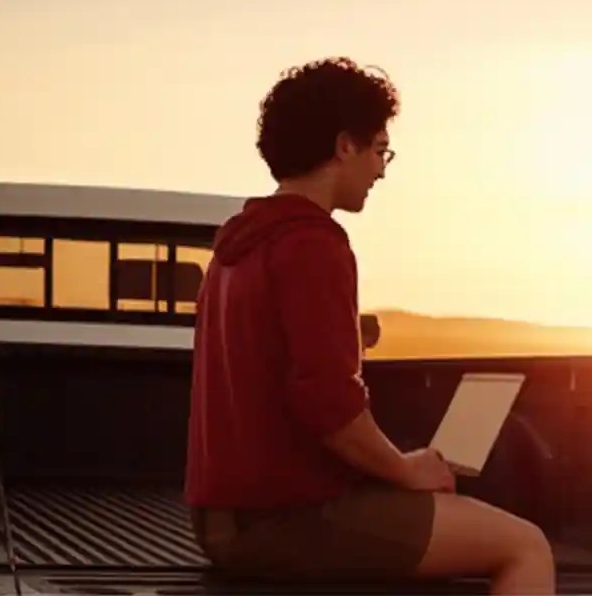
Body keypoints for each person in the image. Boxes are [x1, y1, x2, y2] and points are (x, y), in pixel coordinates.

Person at [185, 57, 555, 594]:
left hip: (222, 521)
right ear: (344, 146)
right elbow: (328, 406)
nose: (382, 169)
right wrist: (405, 471)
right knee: (526, 546)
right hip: (290, 521)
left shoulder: (236, 249)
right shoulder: (313, 245)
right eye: (380, 150)